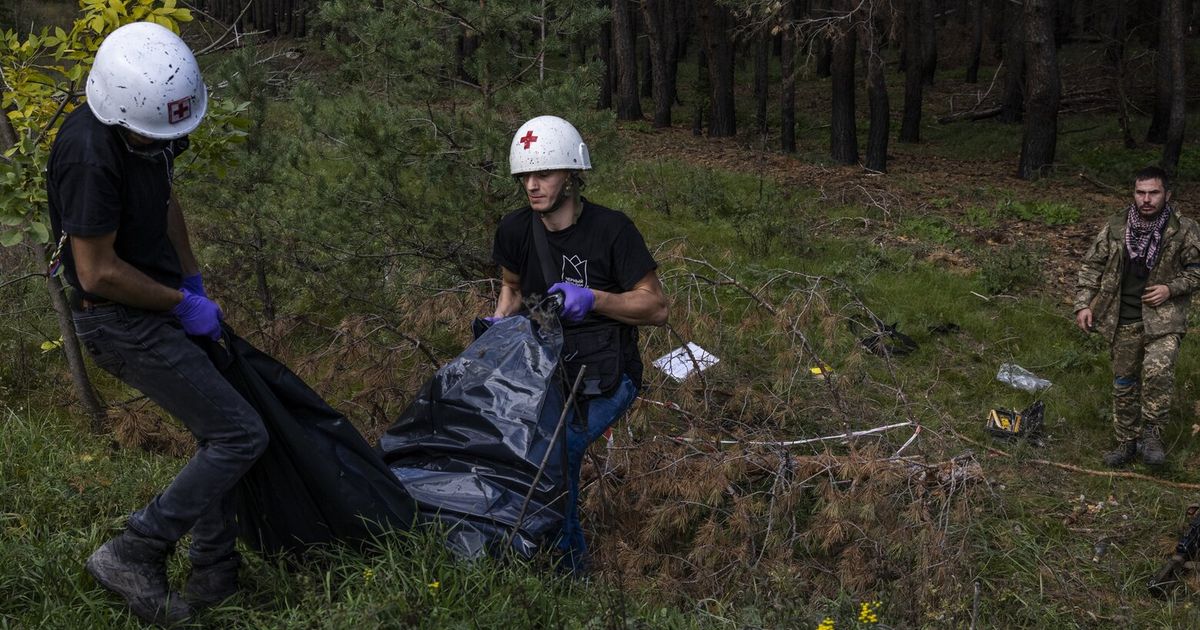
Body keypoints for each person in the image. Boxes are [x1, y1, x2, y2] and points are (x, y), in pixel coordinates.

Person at [47, 22, 266, 624]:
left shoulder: (153, 126)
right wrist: (179, 304)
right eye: (146, 138)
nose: (156, 143)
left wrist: (191, 280)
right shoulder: (89, 154)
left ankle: (215, 574)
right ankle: (135, 549)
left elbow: (165, 193)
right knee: (239, 435)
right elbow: (96, 273)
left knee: (219, 429)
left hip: (157, 300)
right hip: (116, 319)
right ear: (117, 111)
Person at [490, 115, 668, 572]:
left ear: (571, 175)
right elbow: (511, 289)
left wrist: (594, 299)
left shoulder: (612, 230)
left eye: (543, 174)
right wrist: (495, 325)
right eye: (525, 176)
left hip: (608, 374)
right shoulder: (515, 230)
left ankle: (569, 573)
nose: (532, 185)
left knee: (560, 449)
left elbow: (656, 308)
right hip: (540, 368)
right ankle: (512, 544)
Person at [1074, 166, 1200, 468]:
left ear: (1166, 194)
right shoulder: (1117, 226)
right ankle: (1126, 441)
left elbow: (1196, 270)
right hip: (1122, 317)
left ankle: (1152, 435)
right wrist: (1083, 304)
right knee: (1124, 381)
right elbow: (1091, 266)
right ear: (1134, 194)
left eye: (1153, 192)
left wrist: (1171, 288)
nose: (1146, 199)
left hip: (1164, 319)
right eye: (1140, 192)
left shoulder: (1183, 229)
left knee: (1158, 373)